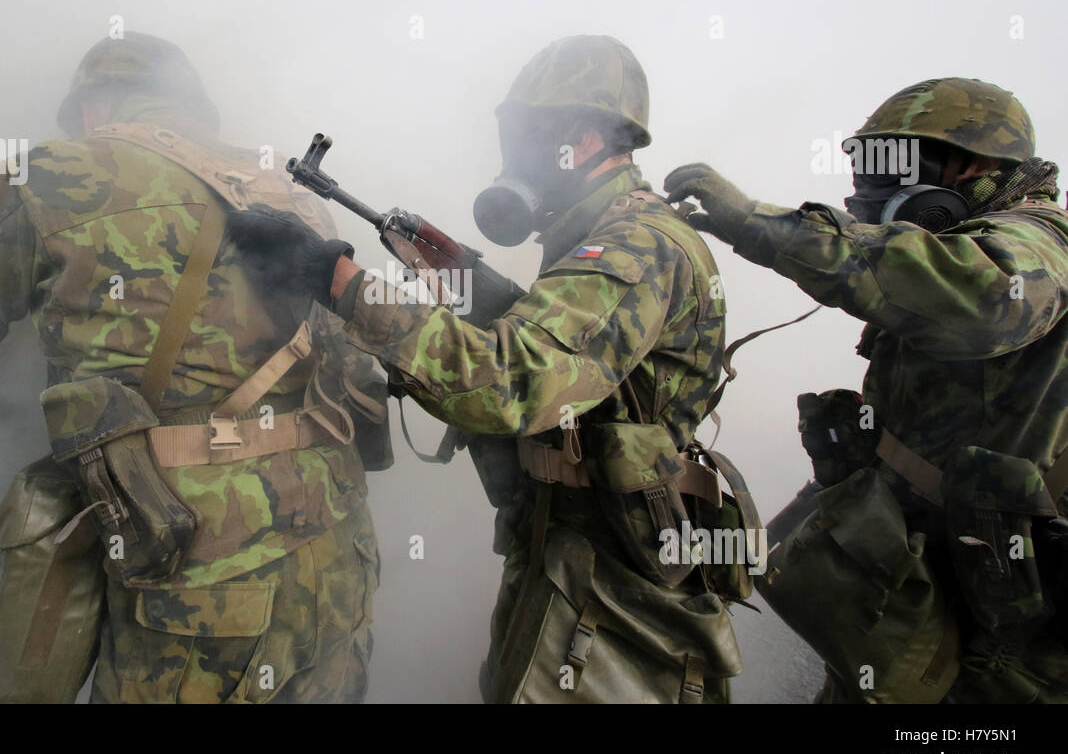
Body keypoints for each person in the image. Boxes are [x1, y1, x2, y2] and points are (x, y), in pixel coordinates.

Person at [0, 31, 391, 704]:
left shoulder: (48, 176)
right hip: (335, 552)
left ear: (92, 108)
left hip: (197, 568)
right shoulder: (290, 188)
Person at [231, 35, 752, 703]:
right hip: (577, 569)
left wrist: (338, 280)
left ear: (585, 138)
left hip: (622, 604)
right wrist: (467, 284)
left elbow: (510, 384)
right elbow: (569, 351)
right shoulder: (599, 237)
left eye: (528, 136)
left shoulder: (634, 246)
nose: (514, 157)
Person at [664, 77, 1068, 703]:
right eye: (863, 165)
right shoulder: (956, 241)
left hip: (1007, 639)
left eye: (891, 163)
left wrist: (764, 226)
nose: (868, 186)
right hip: (915, 598)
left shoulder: (1041, 243)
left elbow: (981, 297)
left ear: (978, 166)